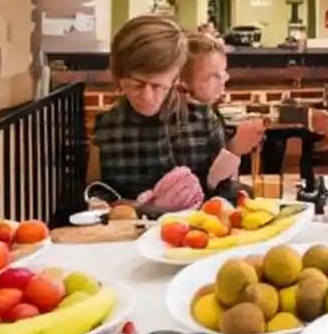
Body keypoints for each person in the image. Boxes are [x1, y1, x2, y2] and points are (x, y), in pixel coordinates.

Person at [88, 16, 253, 212]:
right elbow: (95, 196)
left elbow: (224, 191)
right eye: (136, 85)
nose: (147, 96)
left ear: (175, 76)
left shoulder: (203, 120)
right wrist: (138, 207)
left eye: (157, 86)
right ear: (118, 76)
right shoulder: (108, 127)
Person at [177, 32, 264, 197]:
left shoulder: (207, 110)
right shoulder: (193, 118)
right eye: (213, 76)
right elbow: (209, 185)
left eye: (223, 72)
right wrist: (235, 148)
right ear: (183, 81)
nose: (224, 79)